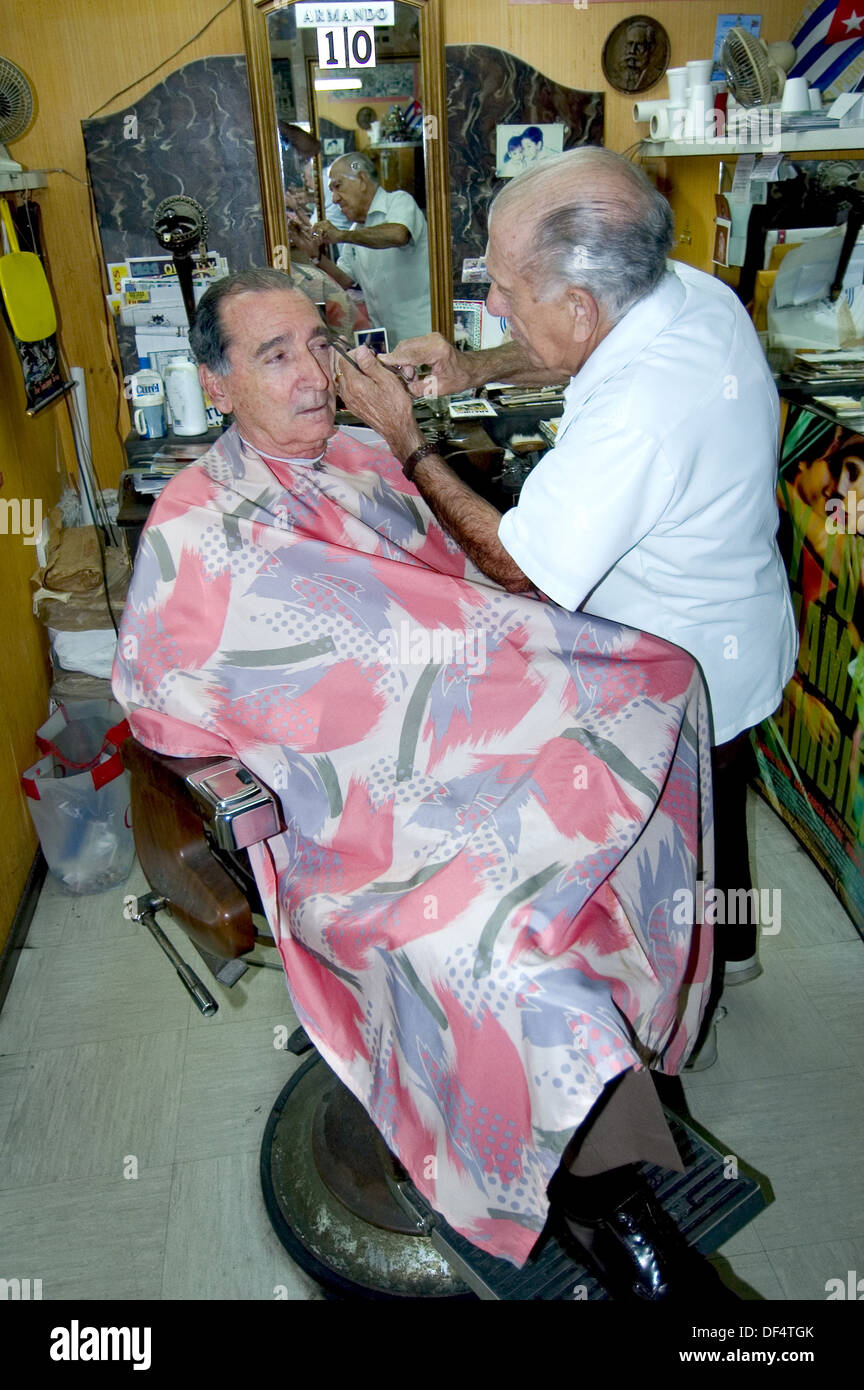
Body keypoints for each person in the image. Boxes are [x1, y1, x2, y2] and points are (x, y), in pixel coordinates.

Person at [111, 267, 730, 1299]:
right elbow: (157, 693)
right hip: (366, 815)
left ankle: (612, 1118)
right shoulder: (191, 524)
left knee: (656, 690)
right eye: (275, 355)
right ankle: (603, 1206)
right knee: (503, 952)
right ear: (214, 387)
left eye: (321, 342)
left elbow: (472, 596)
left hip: (480, 746)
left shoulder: (367, 459)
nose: (316, 372)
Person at [338, 148, 797, 1055]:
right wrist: (471, 369)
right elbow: (581, 346)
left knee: (672, 839)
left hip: (682, 670)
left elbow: (525, 570)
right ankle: (735, 944)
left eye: (505, 290)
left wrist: (407, 442)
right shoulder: (684, 292)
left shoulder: (645, 409)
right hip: (737, 630)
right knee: (723, 804)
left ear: (578, 302)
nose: (494, 305)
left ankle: (677, 1013)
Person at [310, 152, 431, 346]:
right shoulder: (355, 231)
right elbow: (346, 279)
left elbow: (398, 234)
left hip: (422, 335)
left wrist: (341, 235)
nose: (334, 199)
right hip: (387, 344)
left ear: (362, 179)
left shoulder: (398, 202)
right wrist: (315, 255)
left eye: (337, 186)